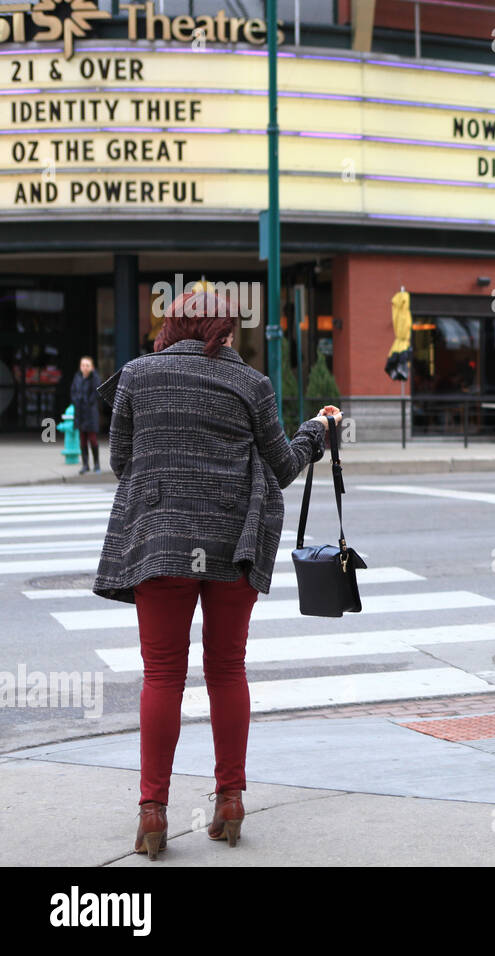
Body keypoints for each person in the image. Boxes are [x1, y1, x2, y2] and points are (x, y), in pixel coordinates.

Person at [93, 289, 341, 859]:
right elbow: (280, 467)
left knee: (162, 676)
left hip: (160, 543)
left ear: (173, 326)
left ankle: (152, 811)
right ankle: (229, 798)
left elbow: (121, 463)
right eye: (228, 331)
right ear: (220, 332)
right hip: (233, 544)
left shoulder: (136, 376)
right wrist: (315, 434)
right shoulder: (250, 384)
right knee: (228, 669)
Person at [70, 356, 102, 474]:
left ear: (92, 367)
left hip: (90, 413)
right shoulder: (77, 377)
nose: (85, 367)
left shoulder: (95, 378)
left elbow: (97, 392)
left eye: (87, 365)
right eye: (83, 365)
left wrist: (89, 402)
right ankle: (85, 465)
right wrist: (76, 401)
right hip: (80, 413)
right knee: (82, 440)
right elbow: (73, 391)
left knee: (93, 439)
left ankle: (97, 464)